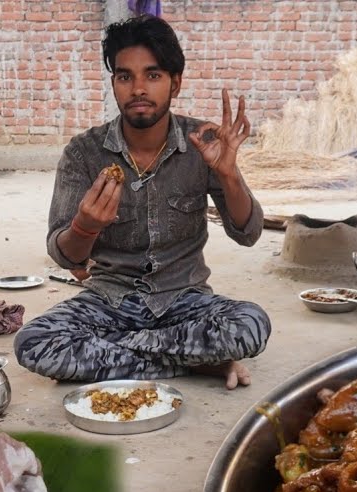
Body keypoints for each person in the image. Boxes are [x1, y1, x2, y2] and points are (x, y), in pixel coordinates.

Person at [14, 15, 270, 390]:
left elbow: (248, 234)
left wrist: (229, 175)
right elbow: (66, 257)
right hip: (108, 301)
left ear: (175, 83)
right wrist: (85, 226)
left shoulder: (205, 143)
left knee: (250, 325)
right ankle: (193, 363)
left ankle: (111, 358)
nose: (137, 88)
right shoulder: (84, 153)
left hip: (185, 301)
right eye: (124, 76)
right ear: (114, 83)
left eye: (152, 75)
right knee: (33, 342)